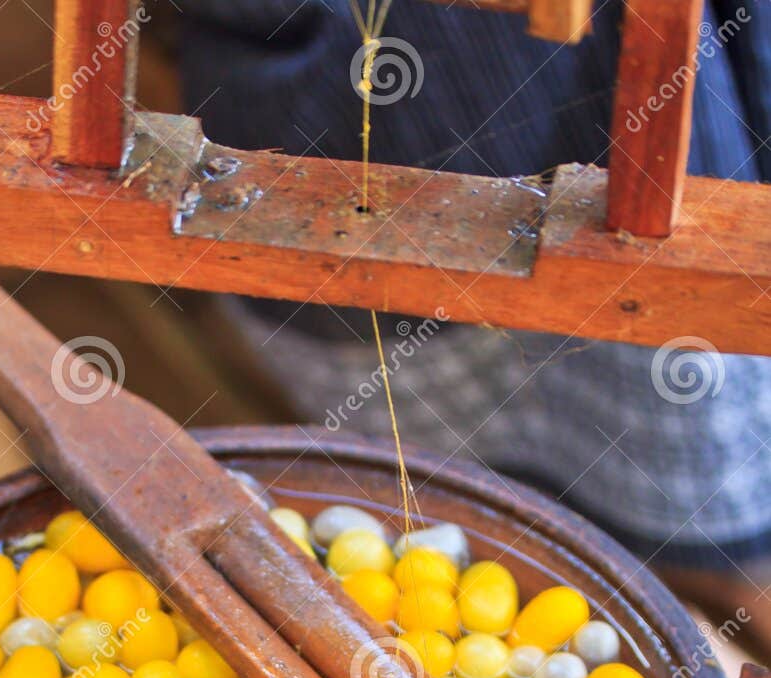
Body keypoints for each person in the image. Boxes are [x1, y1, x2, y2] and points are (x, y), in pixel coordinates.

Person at [175, 0, 771, 592]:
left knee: (692, 504)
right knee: (454, 516)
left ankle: (701, 583)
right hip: (358, 129)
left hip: (628, 162)